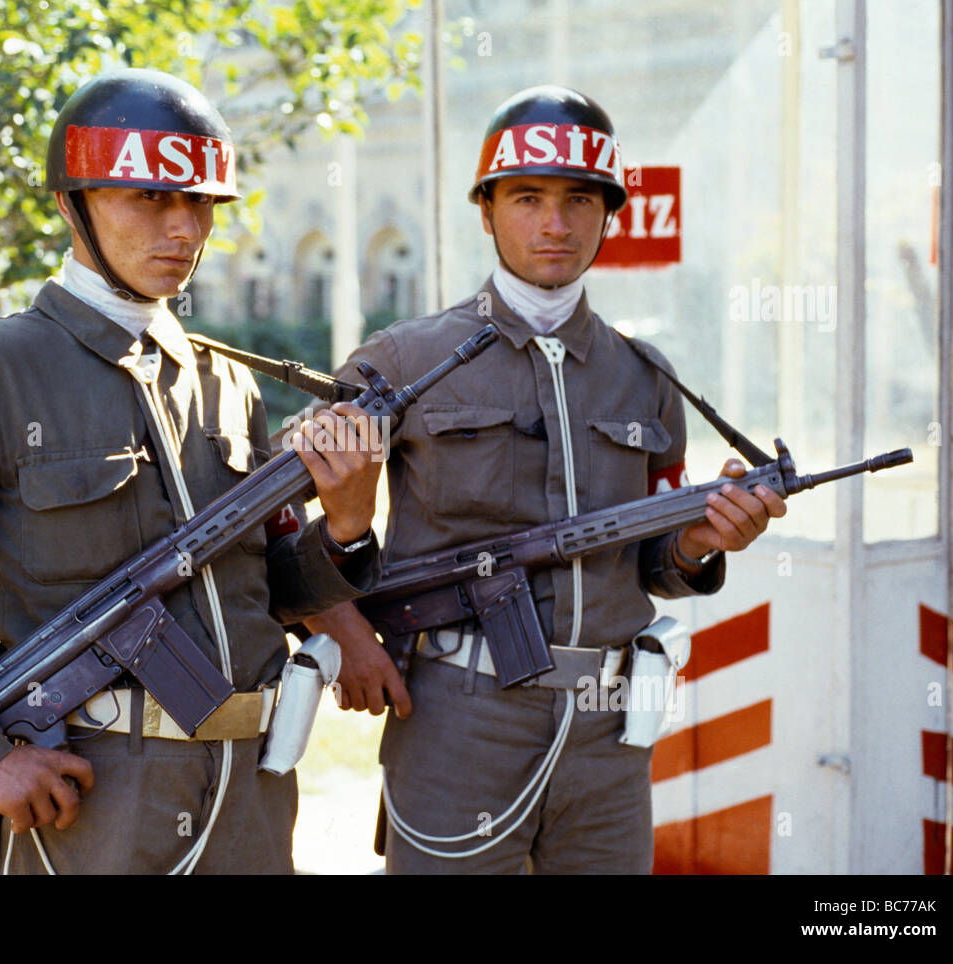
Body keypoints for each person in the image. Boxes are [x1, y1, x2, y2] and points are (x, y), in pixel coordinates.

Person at [0, 68, 383, 875]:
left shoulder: (226, 381)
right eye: (148, 198)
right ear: (72, 201)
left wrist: (348, 525)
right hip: (95, 805)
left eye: (200, 203)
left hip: (250, 805)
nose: (182, 228)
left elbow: (265, 593)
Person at [304, 84, 787, 874]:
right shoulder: (403, 362)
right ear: (487, 210)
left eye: (577, 200)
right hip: (460, 724)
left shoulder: (645, 376)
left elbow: (656, 563)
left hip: (607, 735)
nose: (555, 224)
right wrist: (349, 632)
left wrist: (697, 544)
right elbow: (271, 523)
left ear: (610, 214)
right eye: (527, 198)